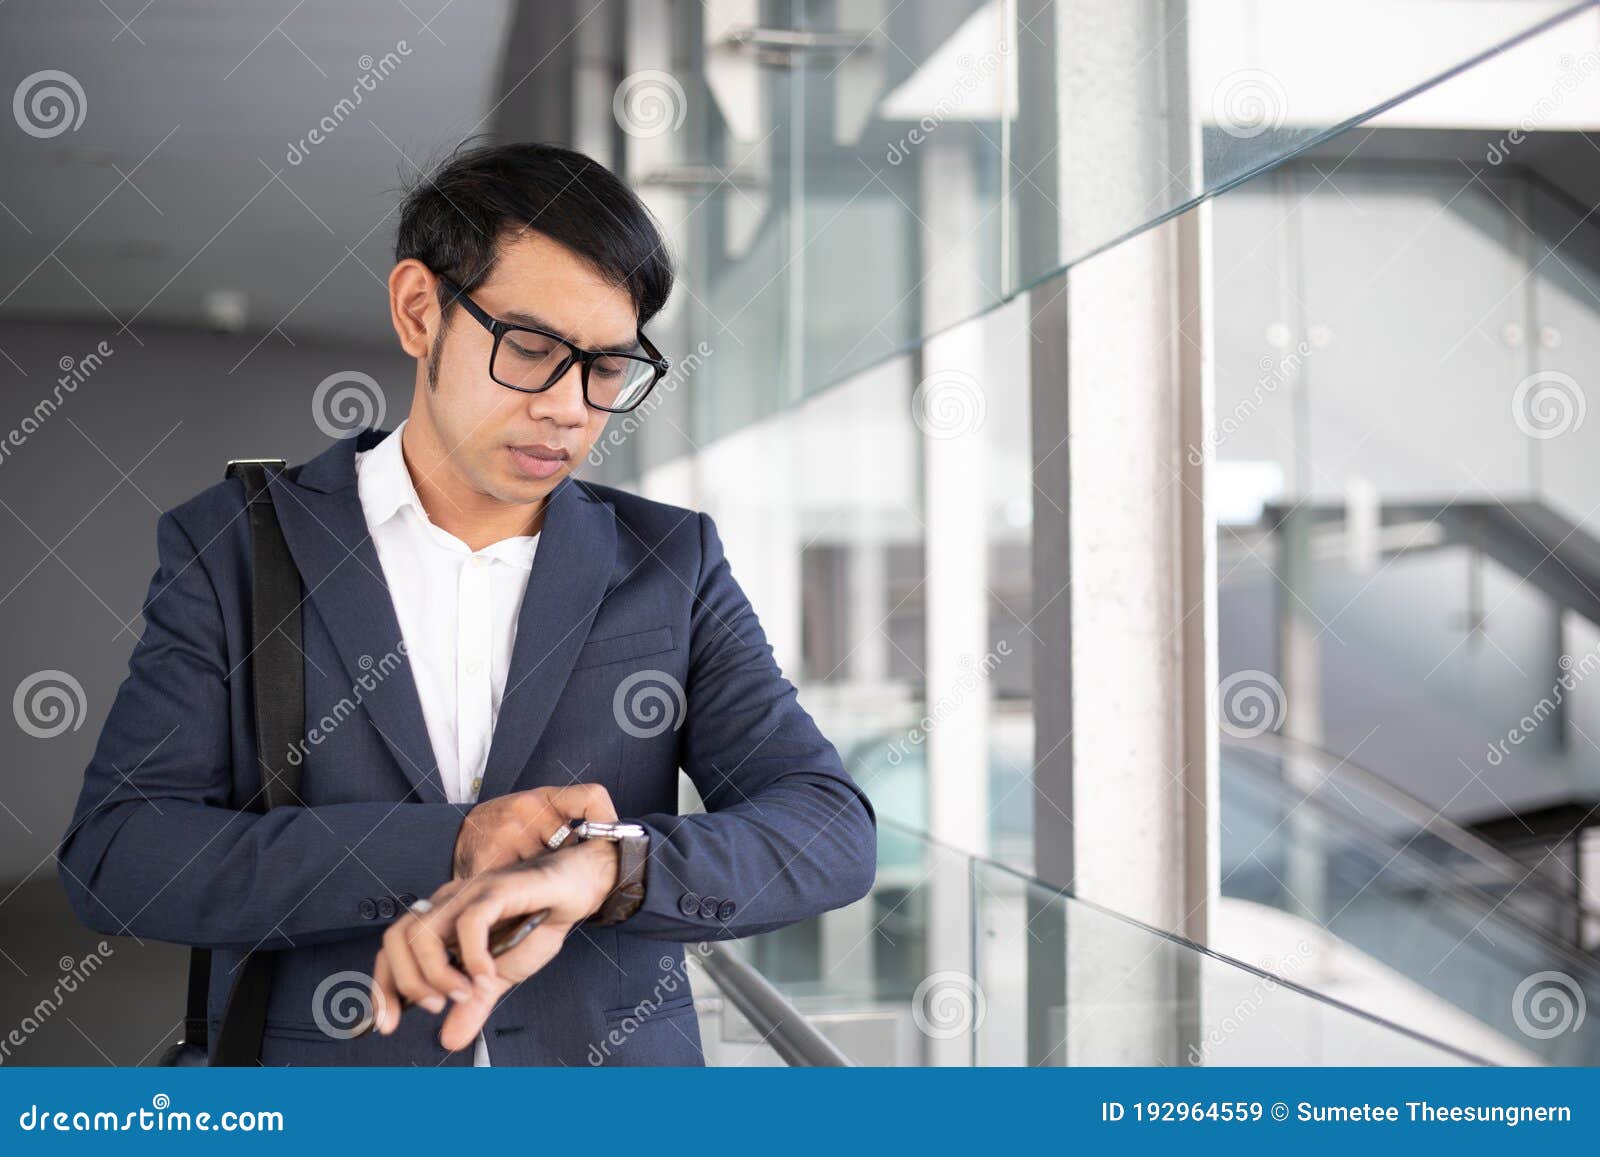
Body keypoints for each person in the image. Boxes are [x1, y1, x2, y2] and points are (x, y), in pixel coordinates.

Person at [57, 140, 878, 1066]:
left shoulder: (669, 561)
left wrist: (608, 866)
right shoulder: (237, 546)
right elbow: (120, 856)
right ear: (420, 310)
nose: (570, 407)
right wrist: (447, 846)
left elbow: (828, 828)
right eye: (531, 348)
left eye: (607, 368)